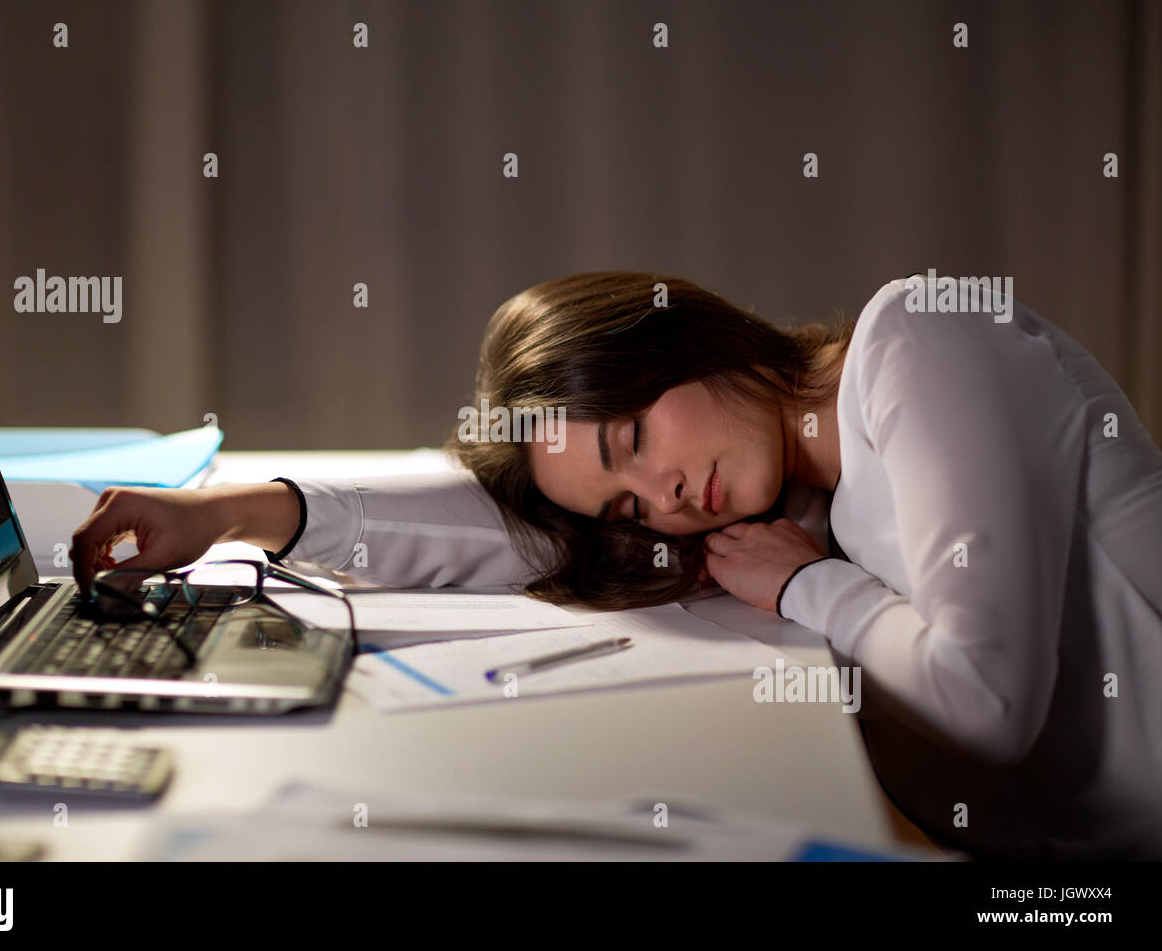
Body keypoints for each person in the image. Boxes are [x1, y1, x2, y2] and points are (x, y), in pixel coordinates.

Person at [70, 270, 1162, 860]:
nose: (665, 499)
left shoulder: (918, 336)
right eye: (629, 502)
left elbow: (988, 699)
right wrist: (239, 511)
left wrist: (802, 584)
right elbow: (520, 528)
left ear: (680, 341)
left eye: (633, 442)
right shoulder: (787, 490)